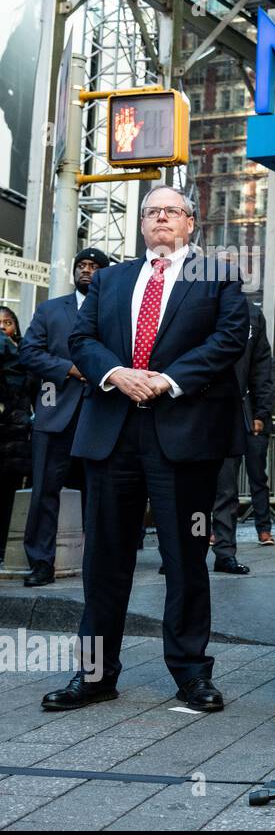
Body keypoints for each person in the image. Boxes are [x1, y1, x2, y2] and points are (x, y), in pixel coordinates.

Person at [42, 185, 249, 713]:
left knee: (185, 559)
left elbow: (228, 340)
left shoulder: (219, 275)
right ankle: (94, 675)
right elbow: (81, 341)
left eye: (171, 212)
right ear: (141, 224)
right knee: (104, 562)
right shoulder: (111, 278)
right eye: (151, 212)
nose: (160, 219)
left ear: (191, 223)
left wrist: (168, 380)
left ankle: (190, 674)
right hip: (113, 432)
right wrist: (117, 373)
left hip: (182, 433)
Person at [21, 248, 102, 586]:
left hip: (100, 416)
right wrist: (68, 368)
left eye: (94, 267)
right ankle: (41, 563)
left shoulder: (115, 313)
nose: (86, 271)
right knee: (44, 492)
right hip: (55, 416)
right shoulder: (50, 310)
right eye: (81, 266)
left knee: (101, 495)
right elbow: (29, 352)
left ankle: (99, 564)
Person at [208, 296, 275, 575]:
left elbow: (262, 366)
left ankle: (224, 552)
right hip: (195, 408)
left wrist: (261, 413)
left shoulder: (251, 314)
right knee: (193, 488)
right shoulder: (196, 302)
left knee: (227, 487)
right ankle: (182, 552)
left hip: (237, 409)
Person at [0, 306, 32, 561]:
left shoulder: (23, 354)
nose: (2, 327)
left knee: (7, 496)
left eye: (8, 322)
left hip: (13, 438)